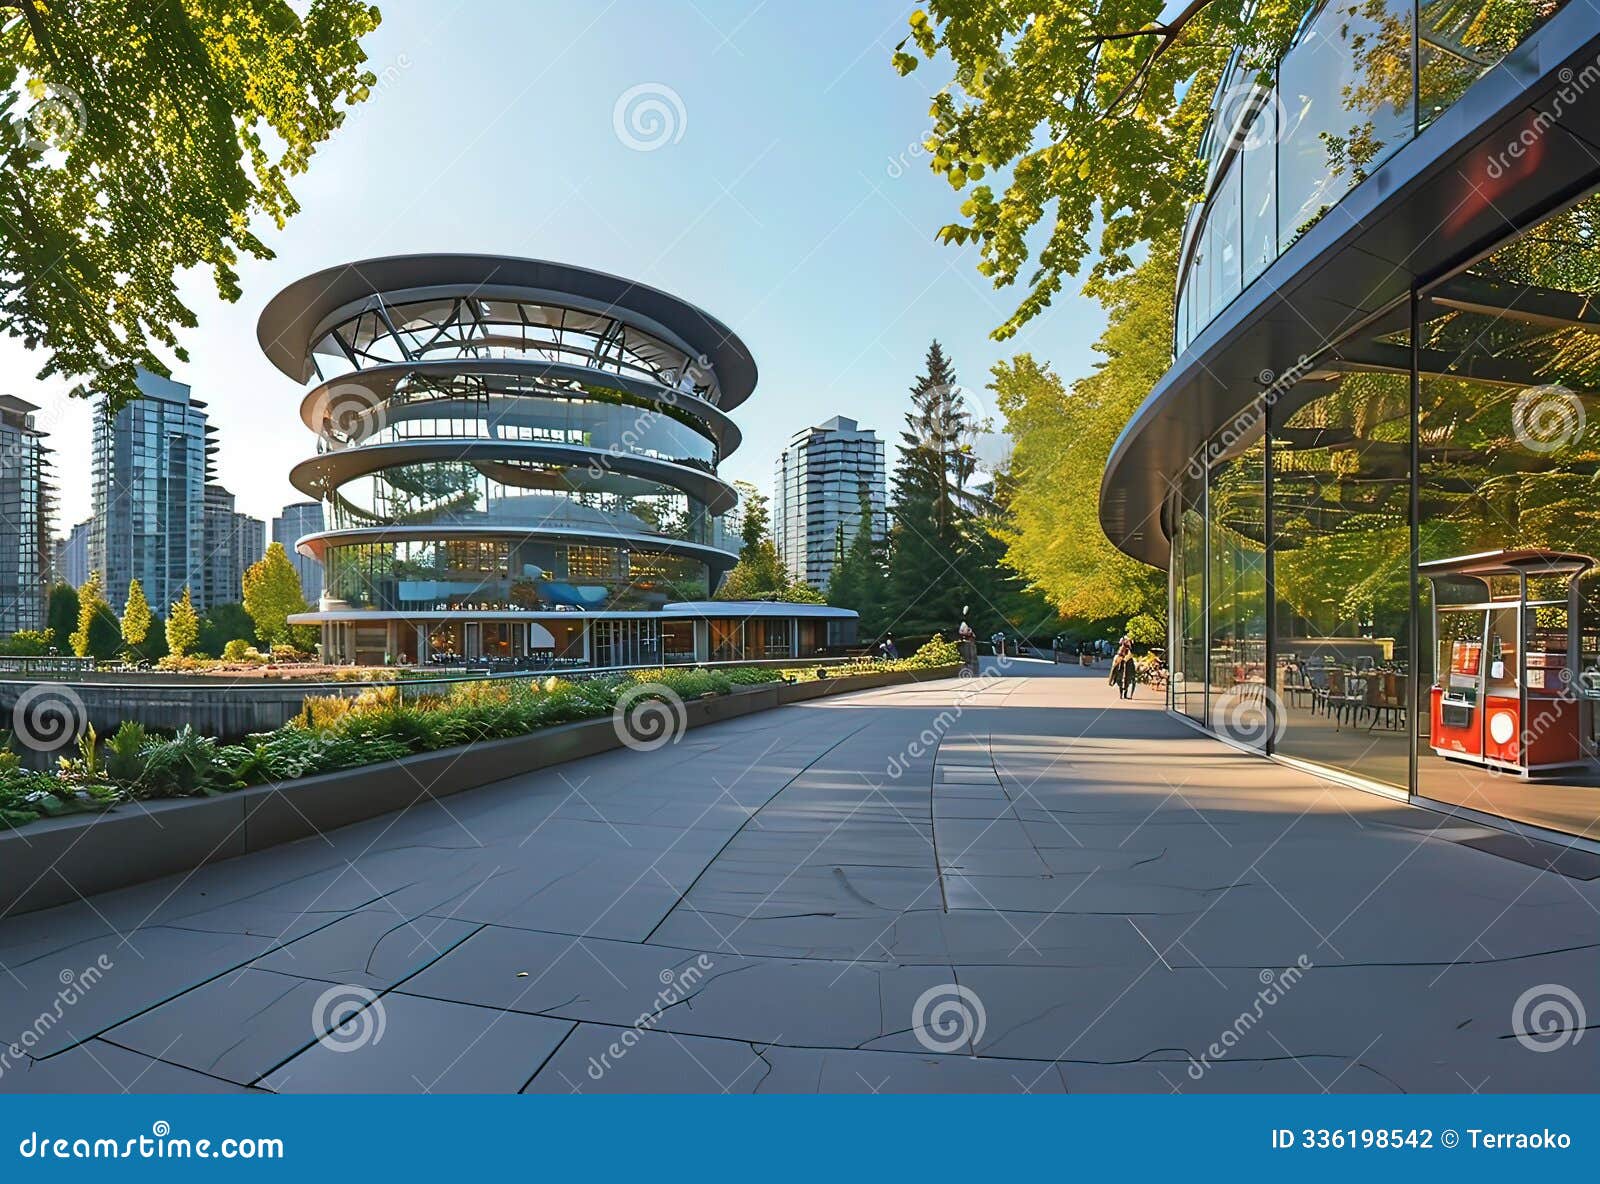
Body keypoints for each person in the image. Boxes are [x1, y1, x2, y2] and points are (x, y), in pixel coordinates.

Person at [1109, 635, 1137, 699]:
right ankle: (1112, 679)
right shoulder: (1122, 647)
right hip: (1121, 662)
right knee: (1117, 673)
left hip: (1128, 663)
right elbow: (1119, 654)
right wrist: (1121, 658)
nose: (1128, 643)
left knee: (1128, 679)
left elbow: (1132, 652)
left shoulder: (1130, 648)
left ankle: (1125, 694)